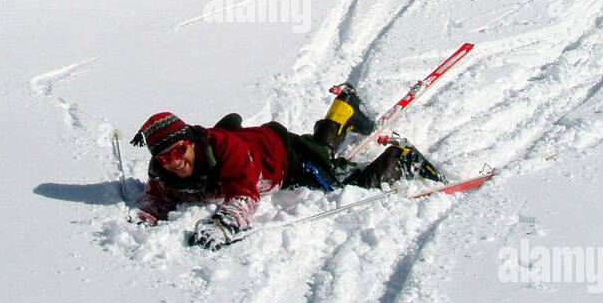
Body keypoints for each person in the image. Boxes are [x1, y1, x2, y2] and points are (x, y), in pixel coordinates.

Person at [129, 85, 442, 250]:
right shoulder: (162, 171)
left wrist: (224, 224)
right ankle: (344, 108)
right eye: (165, 157)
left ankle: (400, 159)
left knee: (342, 181)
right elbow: (158, 194)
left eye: (180, 150)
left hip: (284, 158)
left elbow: (244, 193)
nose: (175, 161)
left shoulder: (225, 150)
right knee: (321, 152)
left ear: (192, 142)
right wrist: (148, 212)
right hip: (265, 144)